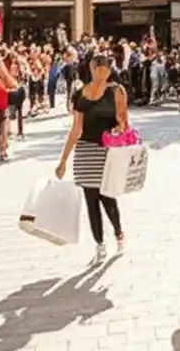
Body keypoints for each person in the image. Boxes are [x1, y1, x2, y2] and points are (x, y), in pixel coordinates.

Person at [55, 52, 128, 264]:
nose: (102, 72)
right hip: (86, 151)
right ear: (91, 68)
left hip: (108, 150)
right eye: (98, 68)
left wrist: (119, 132)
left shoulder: (116, 91)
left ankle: (119, 233)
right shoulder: (80, 94)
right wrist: (63, 160)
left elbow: (123, 120)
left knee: (108, 196)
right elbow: (76, 128)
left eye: (106, 68)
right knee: (91, 199)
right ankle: (99, 243)